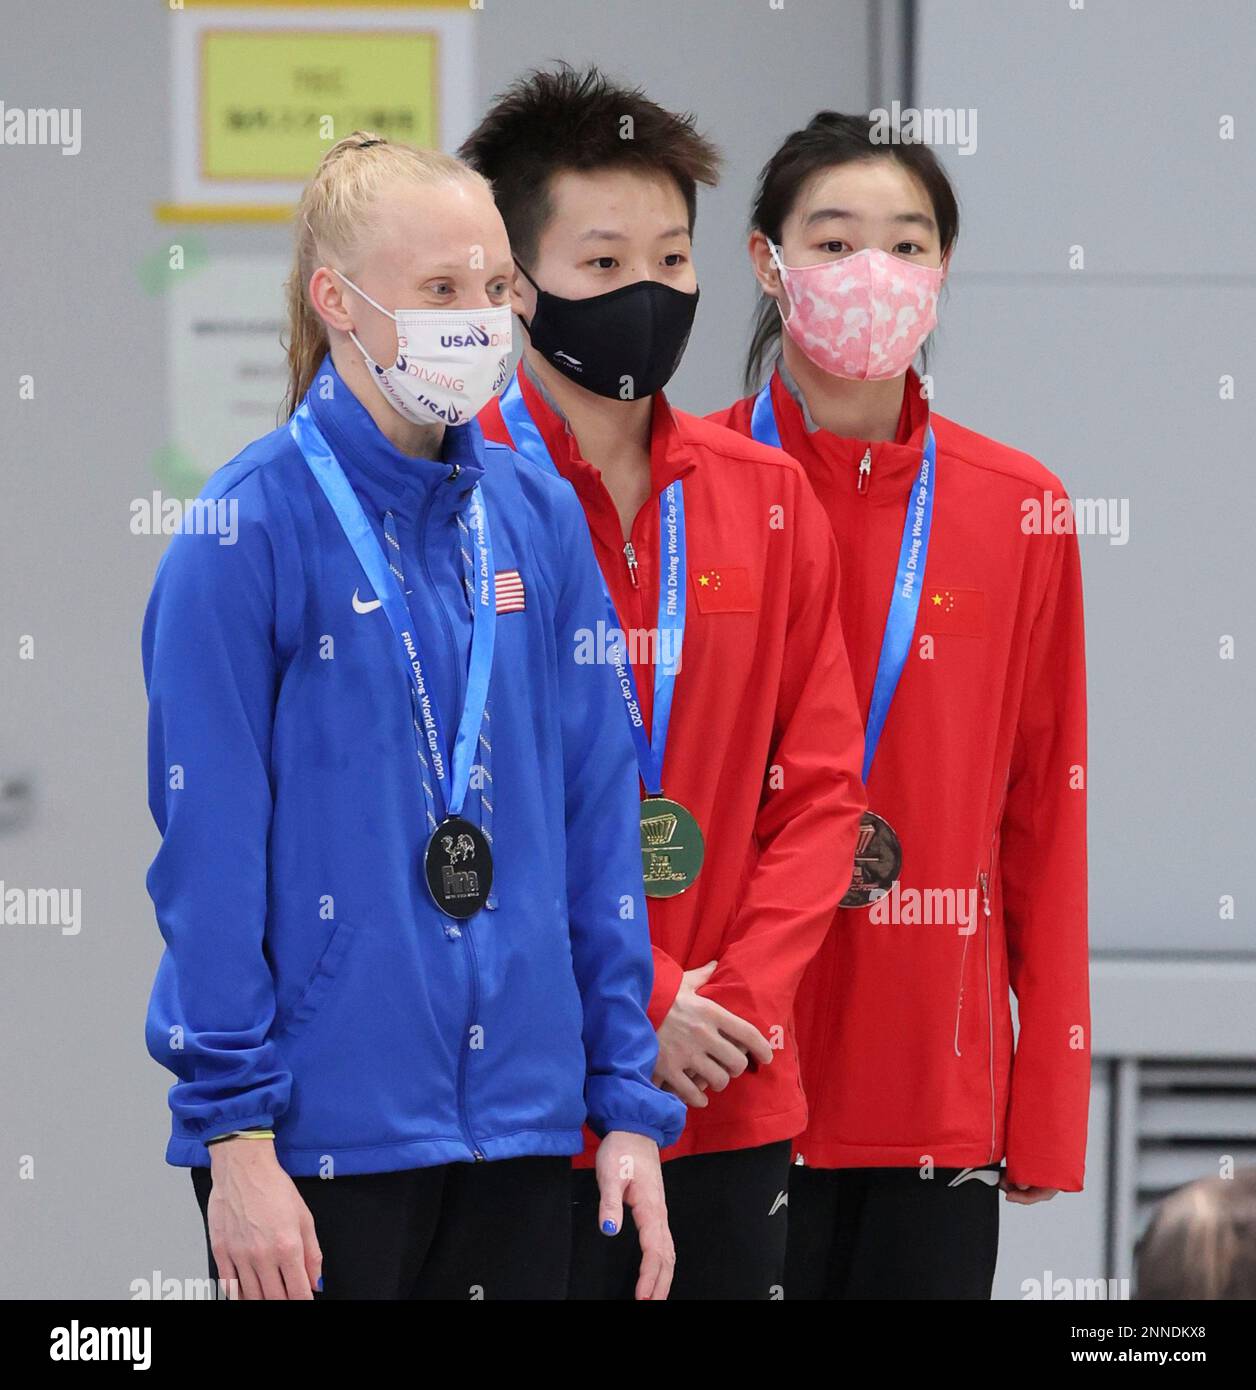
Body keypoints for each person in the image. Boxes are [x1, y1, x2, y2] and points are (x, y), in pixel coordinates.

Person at [142, 132, 684, 1302]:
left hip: (528, 1132)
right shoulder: (247, 533)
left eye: (494, 289)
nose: (478, 320)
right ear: (335, 301)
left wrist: (626, 1101)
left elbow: (599, 821)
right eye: (439, 291)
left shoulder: (535, 517)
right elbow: (210, 862)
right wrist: (236, 1144)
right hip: (321, 1139)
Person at [462, 67, 867, 1301]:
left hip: (724, 1088)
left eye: (671, 257)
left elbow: (821, 792)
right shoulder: (456, 497)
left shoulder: (766, 496)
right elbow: (459, 808)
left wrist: (724, 1006)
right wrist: (638, 1002)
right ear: (517, 287)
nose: (646, 290)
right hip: (522, 1091)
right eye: (600, 263)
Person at [711, 111, 1091, 1299]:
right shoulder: (689, 488)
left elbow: (1045, 811)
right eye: (831, 242)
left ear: (942, 272)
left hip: (933, 1072)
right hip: (716, 1068)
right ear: (765, 262)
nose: (870, 274)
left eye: (907, 244)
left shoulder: (1015, 506)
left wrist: (1043, 1103)